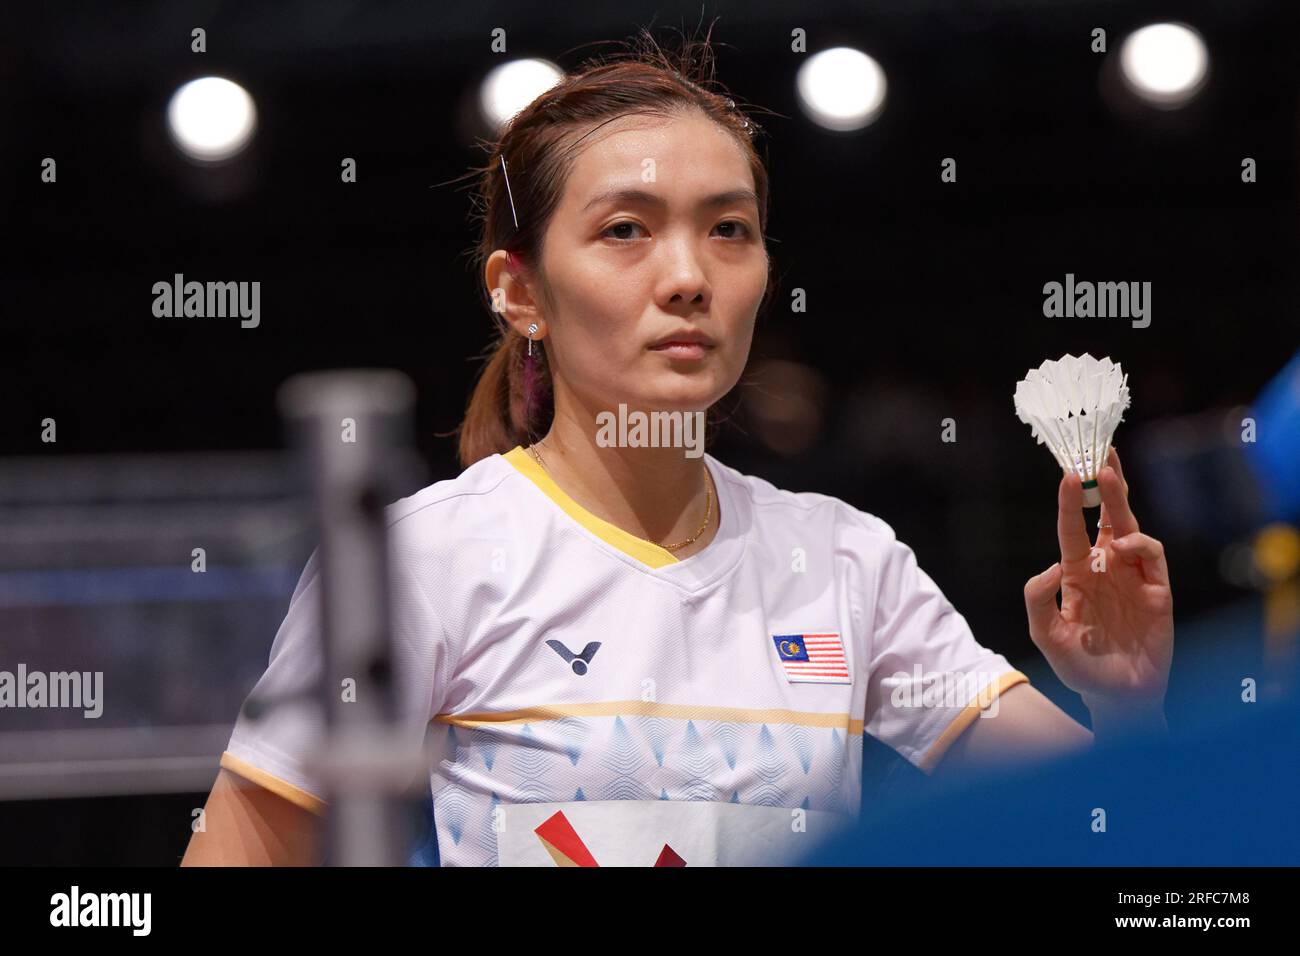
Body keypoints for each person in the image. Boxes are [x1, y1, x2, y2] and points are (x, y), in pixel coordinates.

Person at [181, 32, 1174, 867]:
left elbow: (1111, 834)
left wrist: (1128, 707)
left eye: (728, 229)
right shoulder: (419, 560)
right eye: (626, 229)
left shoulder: (843, 562)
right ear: (519, 291)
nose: (689, 275)